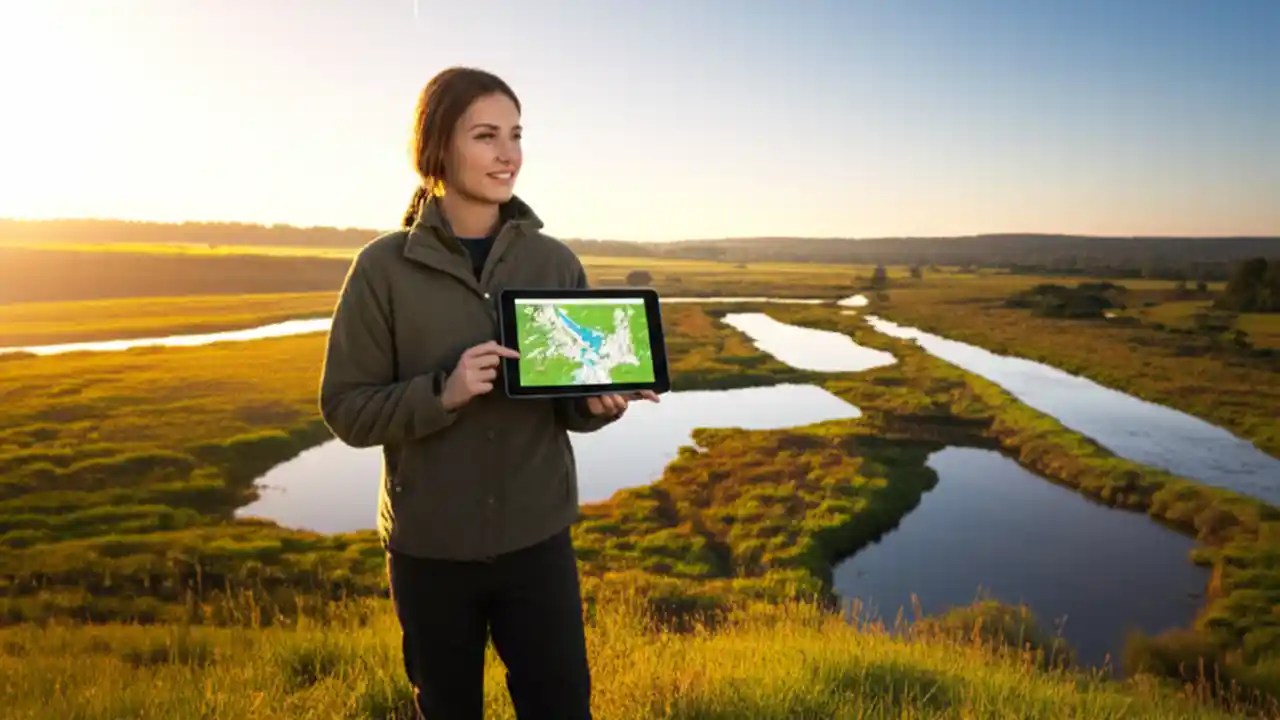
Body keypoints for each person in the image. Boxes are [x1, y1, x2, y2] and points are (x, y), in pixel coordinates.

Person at [317, 66, 658, 719]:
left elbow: (569, 405)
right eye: (486, 135)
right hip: (431, 550)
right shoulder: (383, 270)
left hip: (539, 543)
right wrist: (442, 392)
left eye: (516, 135)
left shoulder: (553, 263)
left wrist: (596, 406)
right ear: (438, 147)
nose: (508, 155)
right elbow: (346, 409)